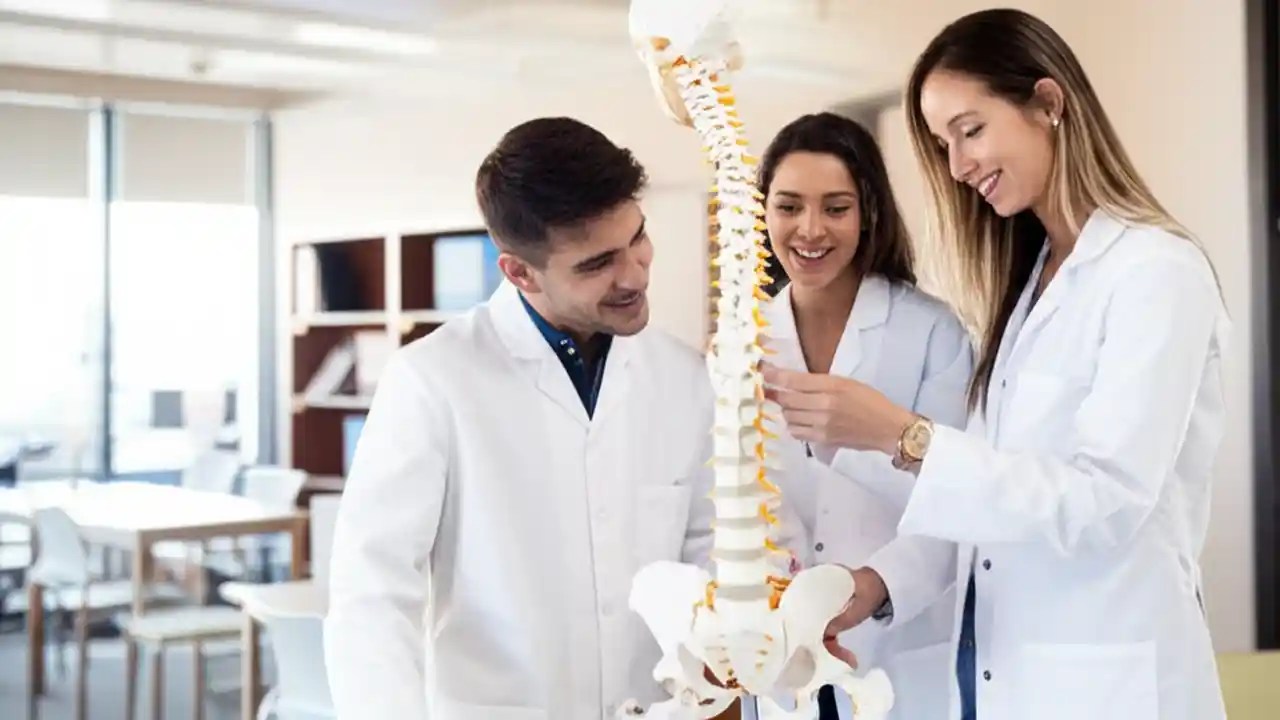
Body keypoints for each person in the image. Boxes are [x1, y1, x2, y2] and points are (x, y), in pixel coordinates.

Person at [765, 8, 1229, 720]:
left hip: (1108, 679)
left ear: (1048, 103)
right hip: (1004, 674)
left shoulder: (1154, 272)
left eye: (970, 129)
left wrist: (900, 435)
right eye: (943, 143)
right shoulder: (1032, 285)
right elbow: (990, 489)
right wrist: (868, 580)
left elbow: (1105, 502)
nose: (957, 166)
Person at [323, 117, 719, 720]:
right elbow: (372, 594)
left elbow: (707, 550)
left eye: (637, 238)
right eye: (597, 263)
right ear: (518, 271)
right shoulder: (433, 380)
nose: (634, 274)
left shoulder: (683, 375)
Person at [756, 112, 971, 720]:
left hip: (894, 642)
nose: (810, 229)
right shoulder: (743, 341)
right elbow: (736, 502)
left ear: (868, 212)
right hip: (781, 651)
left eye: (836, 208)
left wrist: (873, 586)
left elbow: (961, 496)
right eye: (789, 206)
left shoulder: (932, 332)